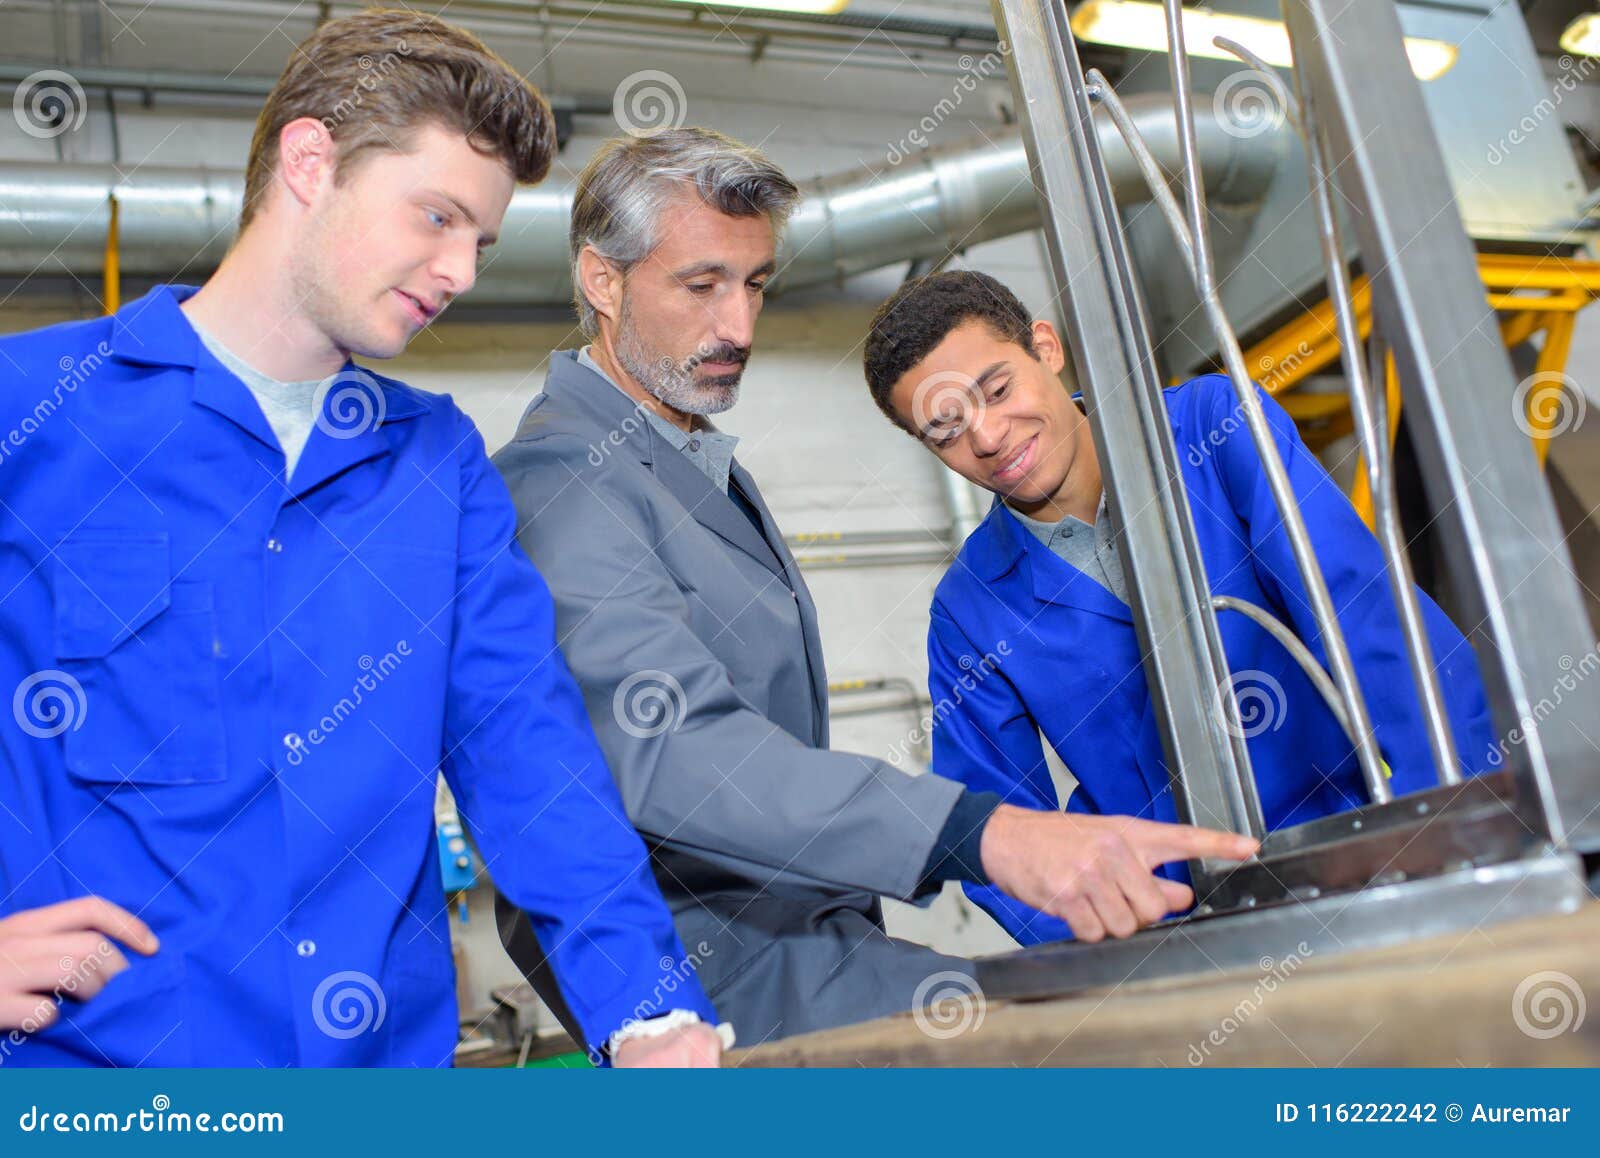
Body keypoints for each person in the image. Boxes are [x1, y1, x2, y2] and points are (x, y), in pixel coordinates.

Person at [0, 8, 722, 1068]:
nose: (461, 270)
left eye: (477, 239)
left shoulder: (436, 467)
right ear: (310, 161)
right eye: (434, 217)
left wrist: (647, 1008)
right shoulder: (35, 410)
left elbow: (527, 754)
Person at [492, 128, 1258, 1045]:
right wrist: (983, 834)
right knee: (1086, 1050)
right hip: (708, 969)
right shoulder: (565, 480)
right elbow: (676, 754)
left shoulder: (688, 462)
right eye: (702, 286)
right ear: (602, 281)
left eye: (757, 284)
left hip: (805, 935)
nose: (738, 327)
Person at [861, 269, 1496, 946]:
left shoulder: (1214, 432)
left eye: (997, 390)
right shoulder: (969, 607)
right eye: (946, 429)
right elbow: (997, 831)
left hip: (1351, 847)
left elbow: (1368, 615)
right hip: (1183, 924)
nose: (987, 437)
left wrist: (1458, 821)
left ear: (1046, 348)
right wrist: (1116, 949)